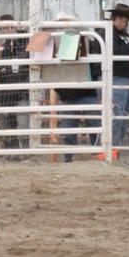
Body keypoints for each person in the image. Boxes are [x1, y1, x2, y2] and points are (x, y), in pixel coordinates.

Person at [52, 13, 100, 162]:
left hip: (83, 90)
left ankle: (96, 153)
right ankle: (70, 157)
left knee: (91, 124)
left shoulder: (87, 40)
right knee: (70, 127)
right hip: (73, 91)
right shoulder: (57, 42)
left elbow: (96, 64)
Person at [97, 3, 129, 150]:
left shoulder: (122, 34)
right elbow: (116, 53)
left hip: (125, 78)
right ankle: (111, 149)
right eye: (126, 21)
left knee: (122, 117)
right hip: (116, 78)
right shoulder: (107, 33)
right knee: (115, 116)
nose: (127, 24)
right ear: (118, 18)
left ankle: (115, 149)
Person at [0, 14, 29, 150]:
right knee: (8, 123)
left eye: (10, 27)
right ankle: (12, 151)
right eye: (4, 28)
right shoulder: (6, 46)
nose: (7, 30)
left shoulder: (25, 40)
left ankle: (25, 150)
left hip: (22, 89)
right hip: (7, 91)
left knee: (23, 123)